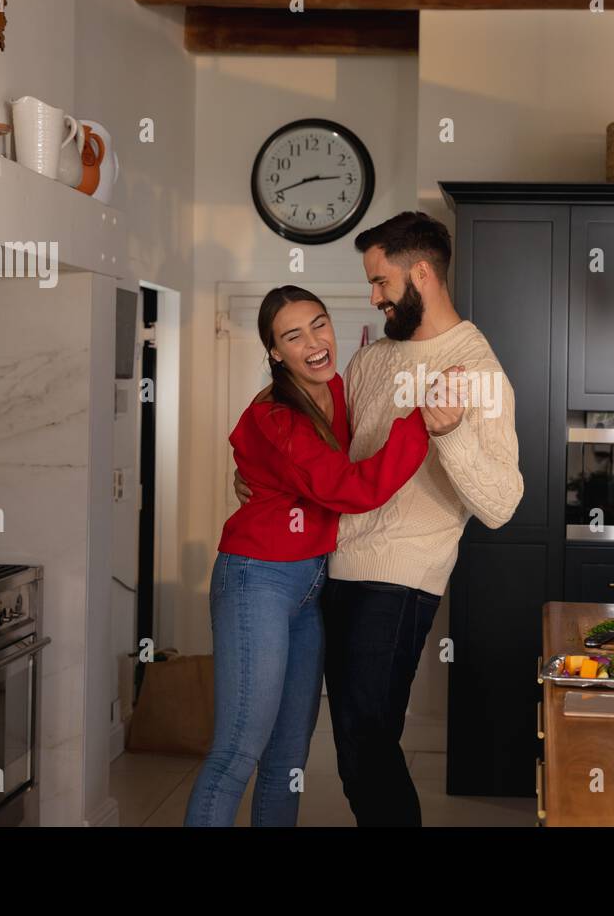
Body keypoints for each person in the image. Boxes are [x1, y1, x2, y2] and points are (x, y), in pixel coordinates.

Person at [236, 212, 524, 825]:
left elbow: (501, 504)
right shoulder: (371, 364)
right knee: (352, 748)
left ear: (420, 273)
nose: (373, 298)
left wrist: (449, 436)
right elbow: (325, 464)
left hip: (400, 576)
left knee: (365, 738)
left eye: (380, 282)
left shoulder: (479, 371)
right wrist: (261, 481)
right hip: (333, 568)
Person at [185, 285, 443, 827]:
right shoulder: (276, 416)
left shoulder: (336, 390)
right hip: (258, 578)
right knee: (237, 752)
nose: (314, 342)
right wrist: (422, 421)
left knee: (287, 761)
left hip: (312, 585)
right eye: (293, 336)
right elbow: (350, 489)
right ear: (275, 352)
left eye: (319, 324)